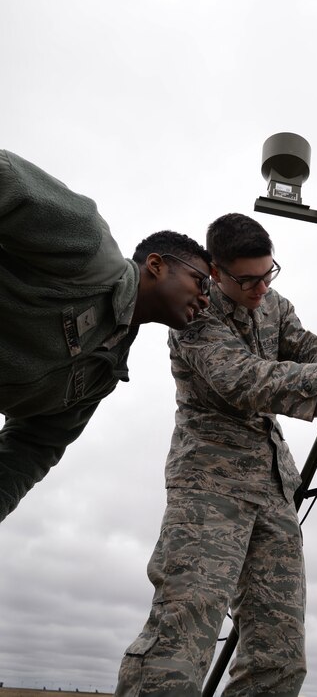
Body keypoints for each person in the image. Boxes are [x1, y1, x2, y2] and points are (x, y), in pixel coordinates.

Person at [115, 212, 317, 697]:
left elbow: (308, 351)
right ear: (217, 273)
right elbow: (247, 381)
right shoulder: (193, 314)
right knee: (182, 637)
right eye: (247, 279)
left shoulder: (275, 304)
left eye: (268, 274)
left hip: (272, 491)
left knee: (280, 654)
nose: (260, 287)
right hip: (209, 489)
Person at [0, 149, 210, 522]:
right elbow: (8, 176)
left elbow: (32, 446)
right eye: (201, 281)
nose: (206, 299)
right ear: (157, 265)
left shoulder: (102, 374)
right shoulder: (88, 246)